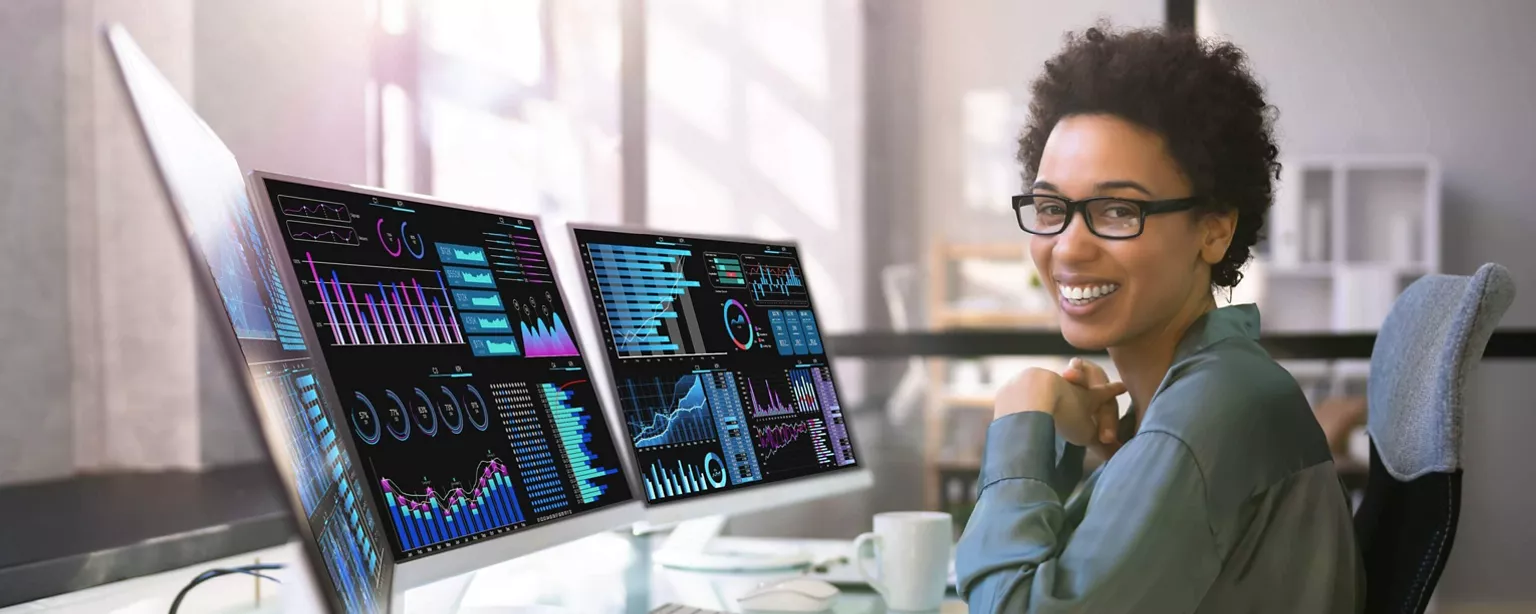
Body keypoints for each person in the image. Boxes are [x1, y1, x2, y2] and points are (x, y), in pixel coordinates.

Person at [954, 24, 1363, 613]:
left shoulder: (1209, 414)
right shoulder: (1202, 391)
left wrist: (1024, 411)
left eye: (1118, 211)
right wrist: (1088, 444)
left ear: (1215, 229)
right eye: (1050, 208)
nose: (1068, 248)